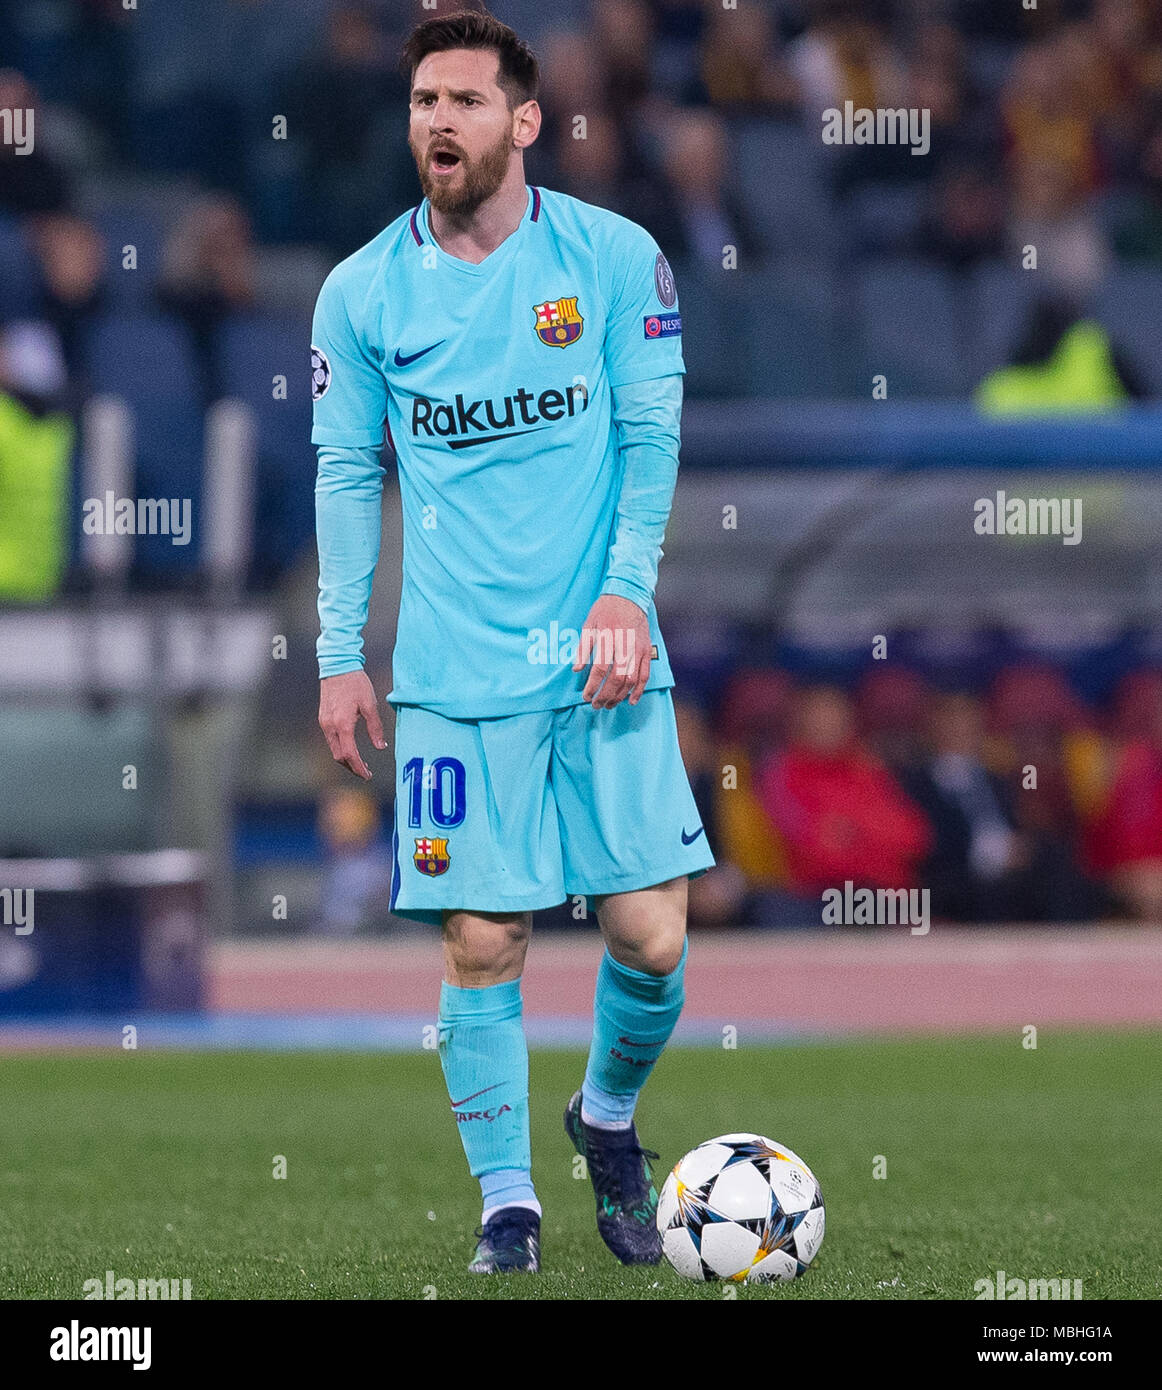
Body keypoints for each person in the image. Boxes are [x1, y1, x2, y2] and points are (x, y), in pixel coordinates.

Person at [311, 9, 712, 1277]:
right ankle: (508, 1206)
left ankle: (603, 1116)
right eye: (425, 99)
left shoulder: (613, 259)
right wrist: (337, 648)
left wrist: (626, 595)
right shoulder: (363, 291)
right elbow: (339, 468)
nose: (440, 120)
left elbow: (649, 439)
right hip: (452, 676)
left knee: (651, 939)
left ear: (522, 122)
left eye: (467, 101)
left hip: (599, 655)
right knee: (482, 936)